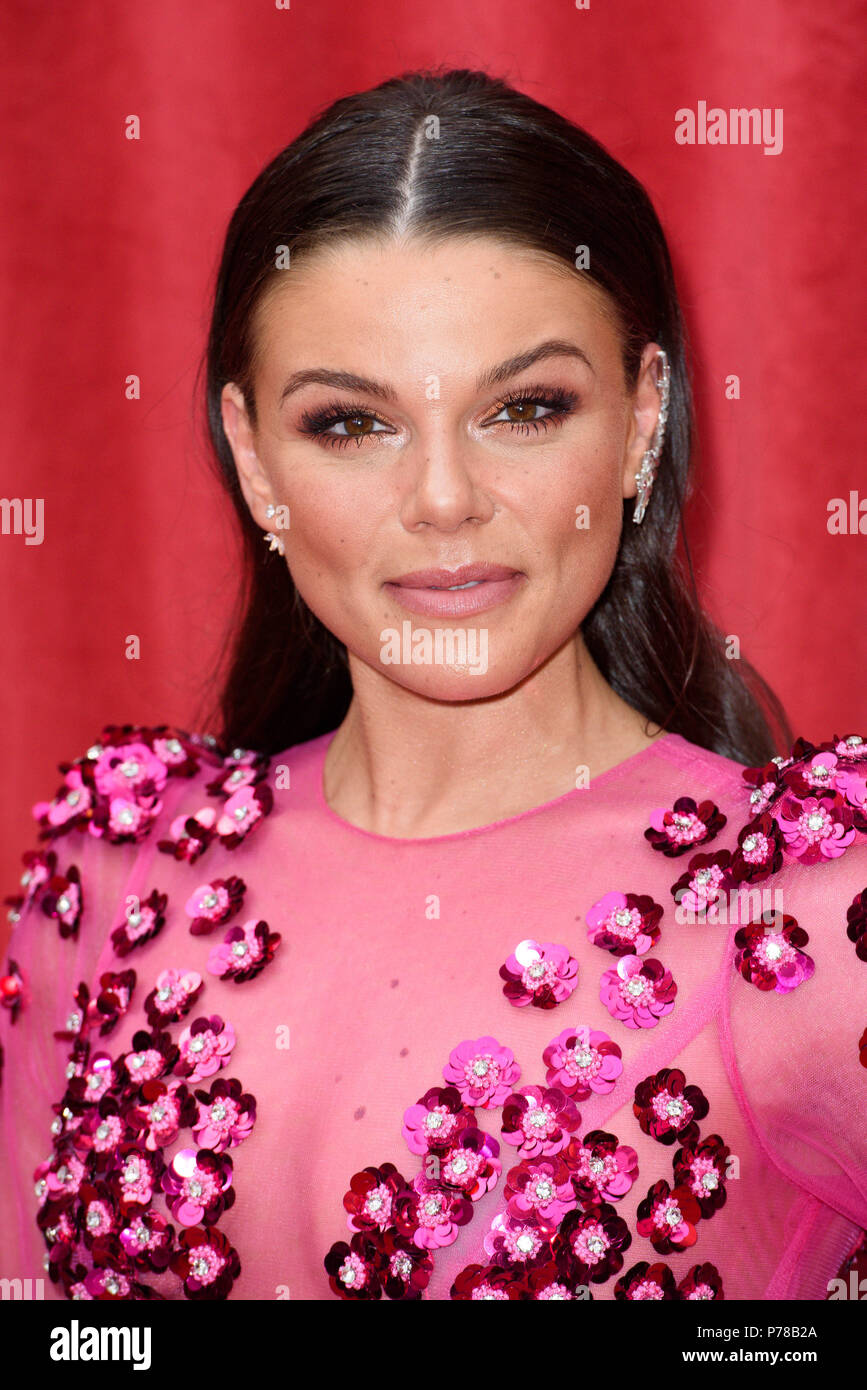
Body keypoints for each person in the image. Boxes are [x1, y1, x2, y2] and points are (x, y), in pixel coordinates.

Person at [1, 68, 865, 1303]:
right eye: (352, 424)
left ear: (643, 419)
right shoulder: (116, 873)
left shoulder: (804, 921)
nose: (446, 500)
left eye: (526, 407)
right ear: (253, 458)